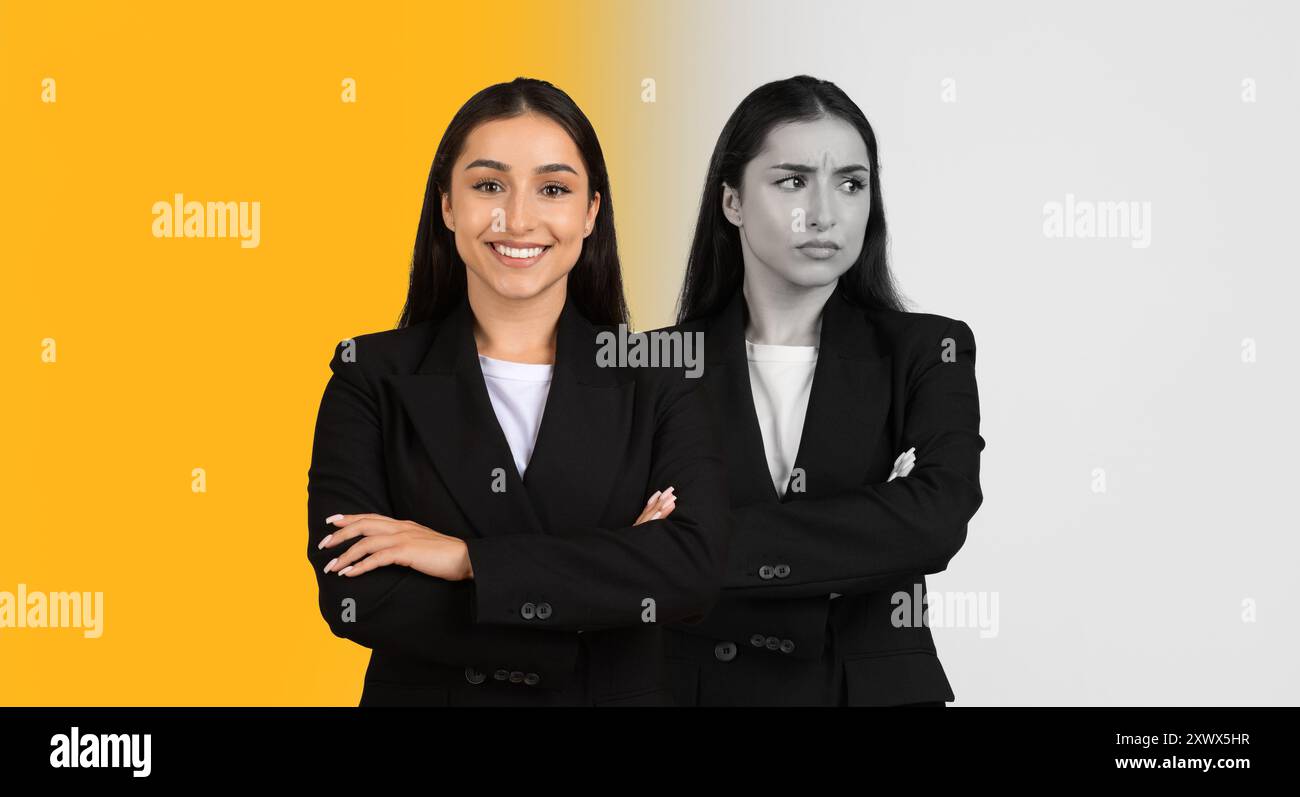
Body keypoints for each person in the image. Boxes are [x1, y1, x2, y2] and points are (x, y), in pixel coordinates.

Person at [306, 77, 730, 706]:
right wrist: (602, 595)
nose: (519, 218)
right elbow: (355, 594)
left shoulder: (660, 377)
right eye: (488, 185)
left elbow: (690, 572)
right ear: (448, 205)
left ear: (590, 213)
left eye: (553, 189)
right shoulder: (369, 375)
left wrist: (466, 560)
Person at [664, 75, 984, 706]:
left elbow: (934, 522)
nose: (826, 213)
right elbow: (609, 550)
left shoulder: (928, 350)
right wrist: (869, 522)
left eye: (851, 183)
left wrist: (687, 546)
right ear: (731, 201)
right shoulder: (653, 366)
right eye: (792, 181)